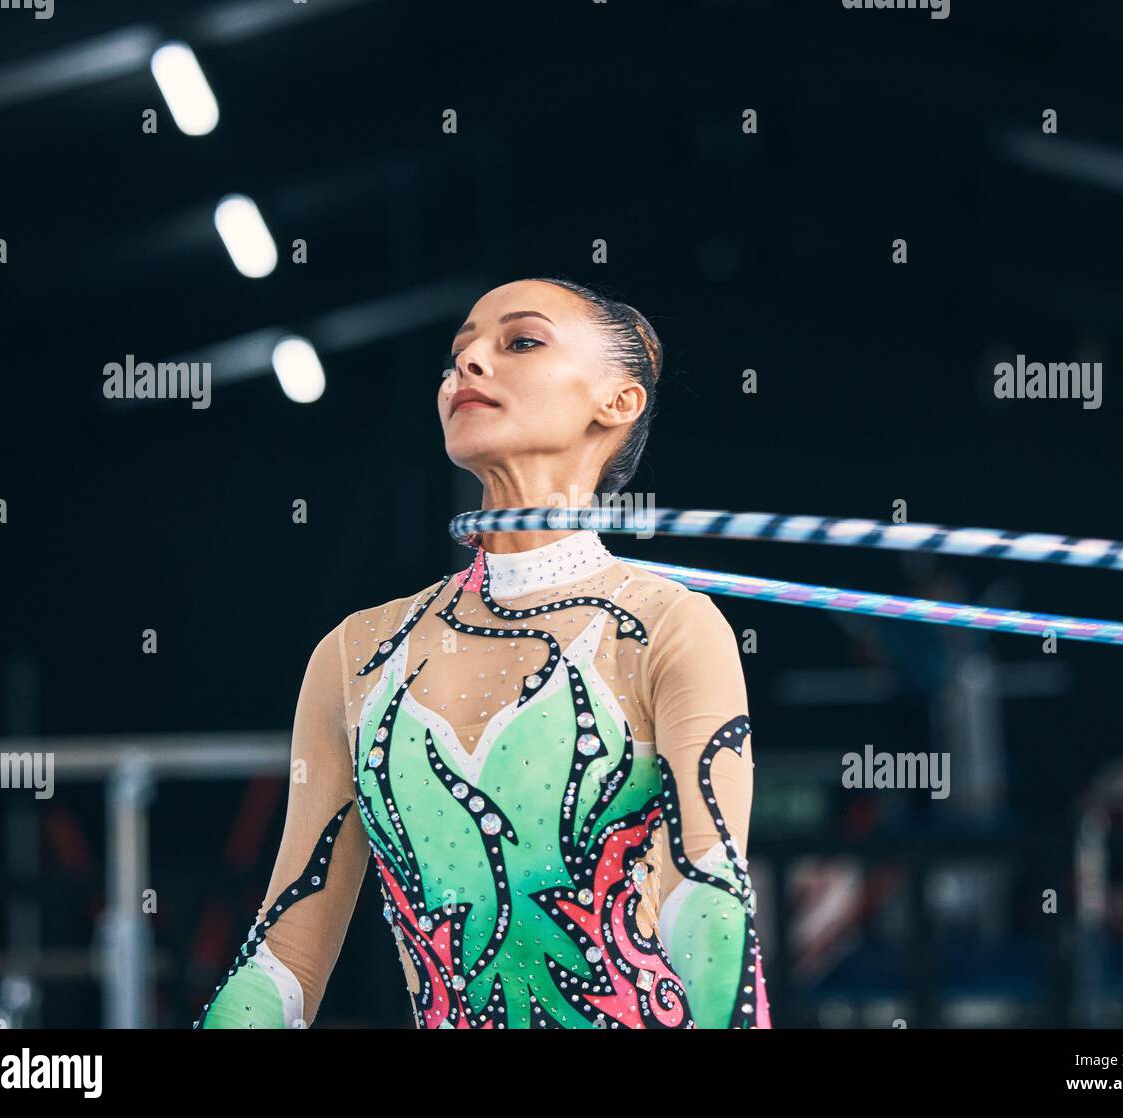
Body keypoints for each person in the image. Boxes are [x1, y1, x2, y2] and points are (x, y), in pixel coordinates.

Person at [195, 278, 769, 1029]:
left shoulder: (667, 626)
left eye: (520, 342)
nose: (468, 366)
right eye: (456, 354)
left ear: (617, 403)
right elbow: (287, 957)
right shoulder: (354, 654)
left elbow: (712, 899)